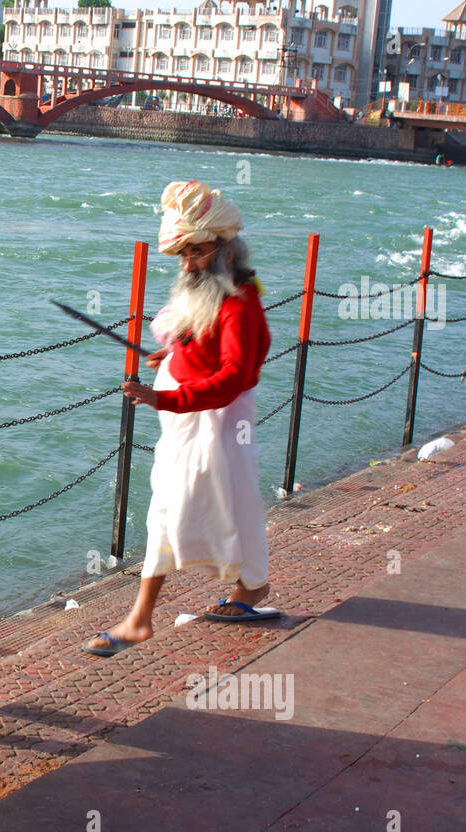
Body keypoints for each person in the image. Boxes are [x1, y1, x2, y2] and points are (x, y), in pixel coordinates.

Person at [84, 180, 279, 657]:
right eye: (183, 254)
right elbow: (199, 341)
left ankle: (139, 620)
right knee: (229, 509)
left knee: (175, 513)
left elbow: (236, 374)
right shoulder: (214, 290)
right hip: (193, 421)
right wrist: (169, 357)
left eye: (196, 252)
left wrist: (163, 398)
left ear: (224, 250)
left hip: (216, 424)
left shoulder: (240, 302)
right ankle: (251, 587)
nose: (188, 263)